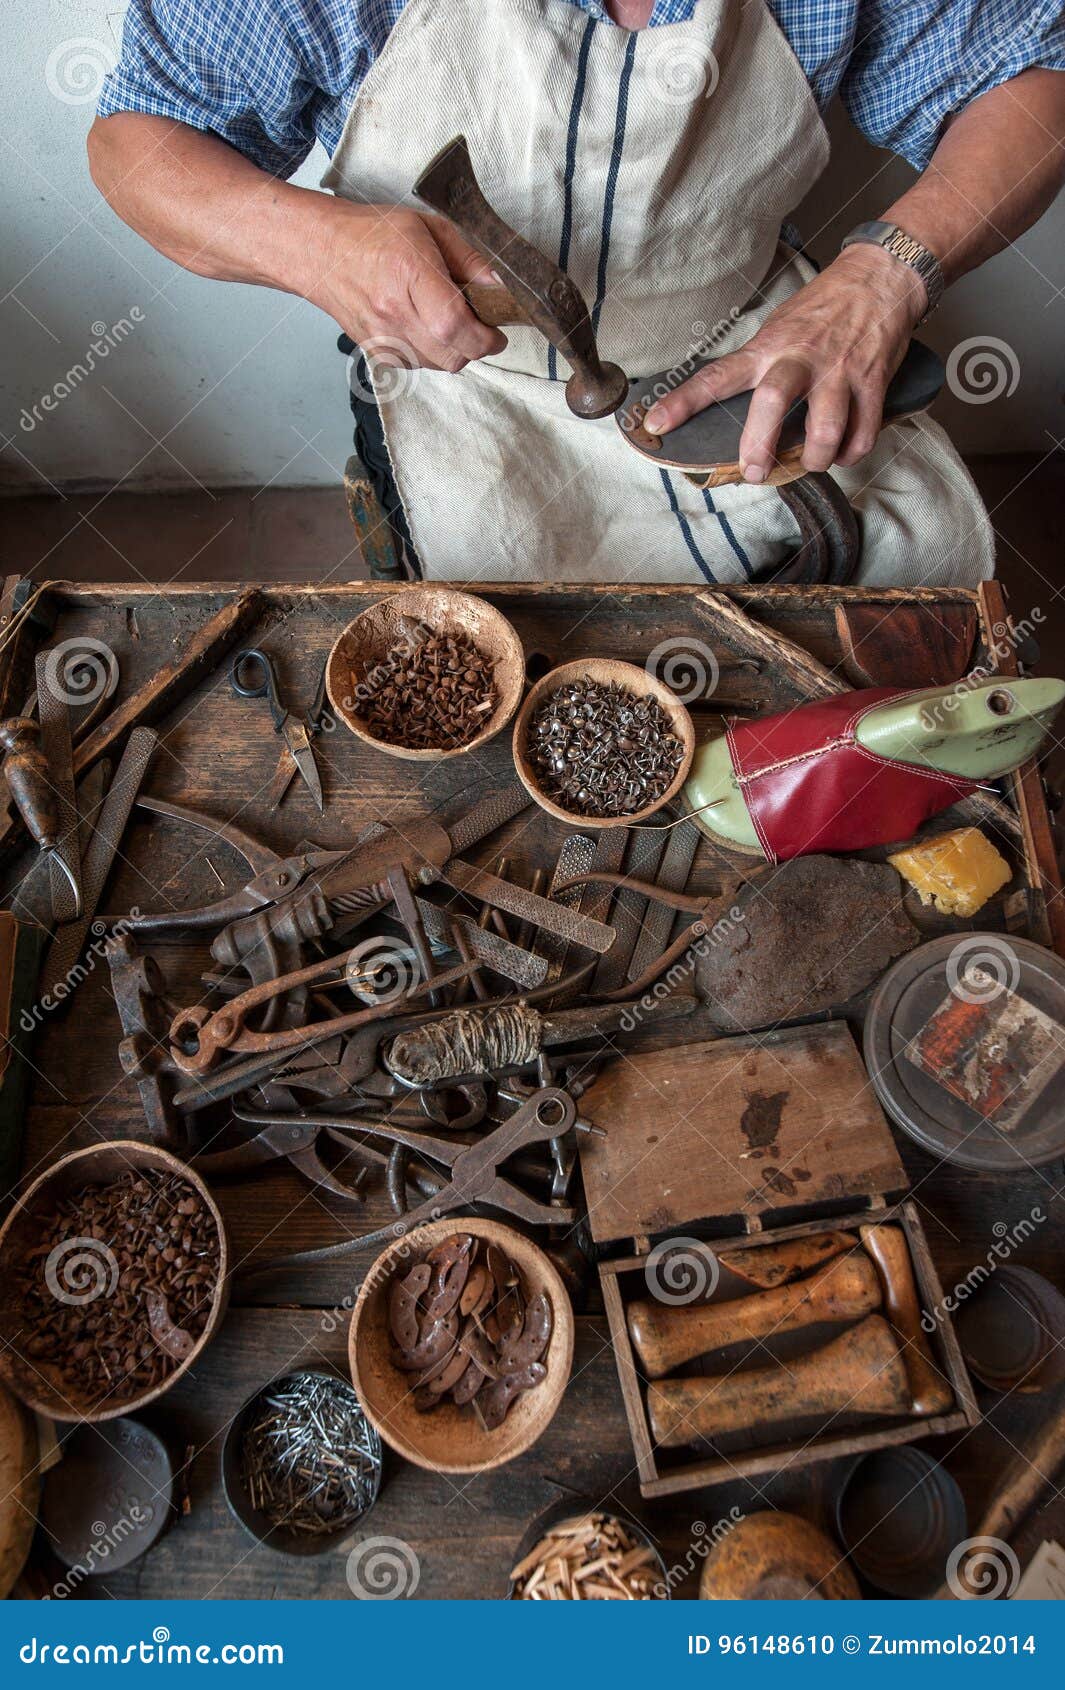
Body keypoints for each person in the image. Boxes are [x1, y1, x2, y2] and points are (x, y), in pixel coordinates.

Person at [89, 1, 1065, 585]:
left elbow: (1031, 85)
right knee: (499, 680)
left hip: (751, 345)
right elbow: (137, 142)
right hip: (469, 389)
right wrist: (313, 243)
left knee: (903, 585)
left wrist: (888, 270)